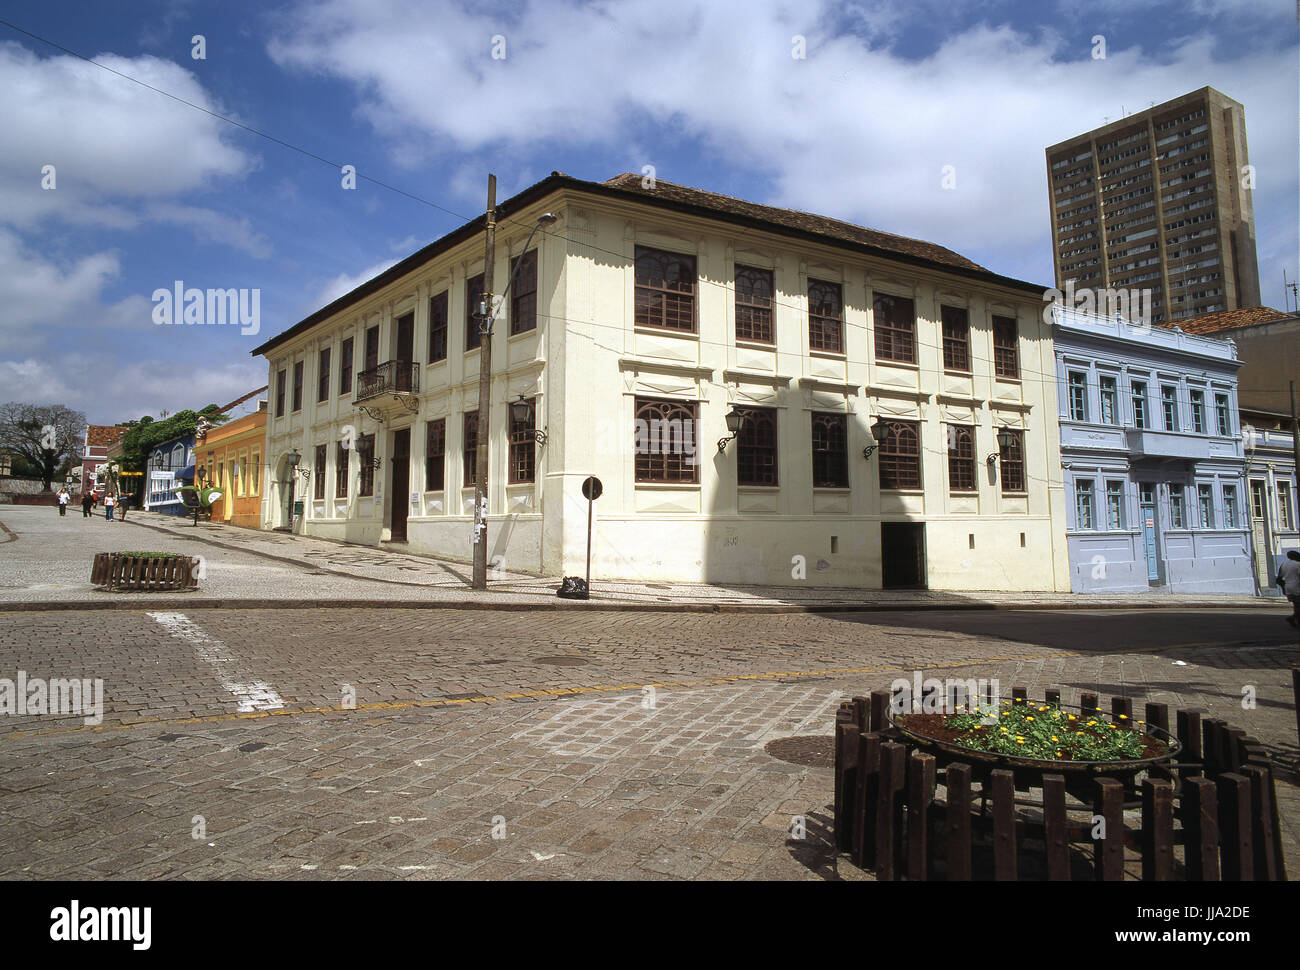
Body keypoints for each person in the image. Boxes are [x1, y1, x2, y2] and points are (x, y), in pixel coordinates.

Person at [1277, 550, 1300, 629]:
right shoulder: (1298, 565)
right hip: (1297, 587)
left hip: (1288, 588)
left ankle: (1295, 620)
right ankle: (1292, 618)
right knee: (1298, 605)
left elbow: (1279, 579)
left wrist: (1283, 588)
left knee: (1296, 605)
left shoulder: (1284, 564)